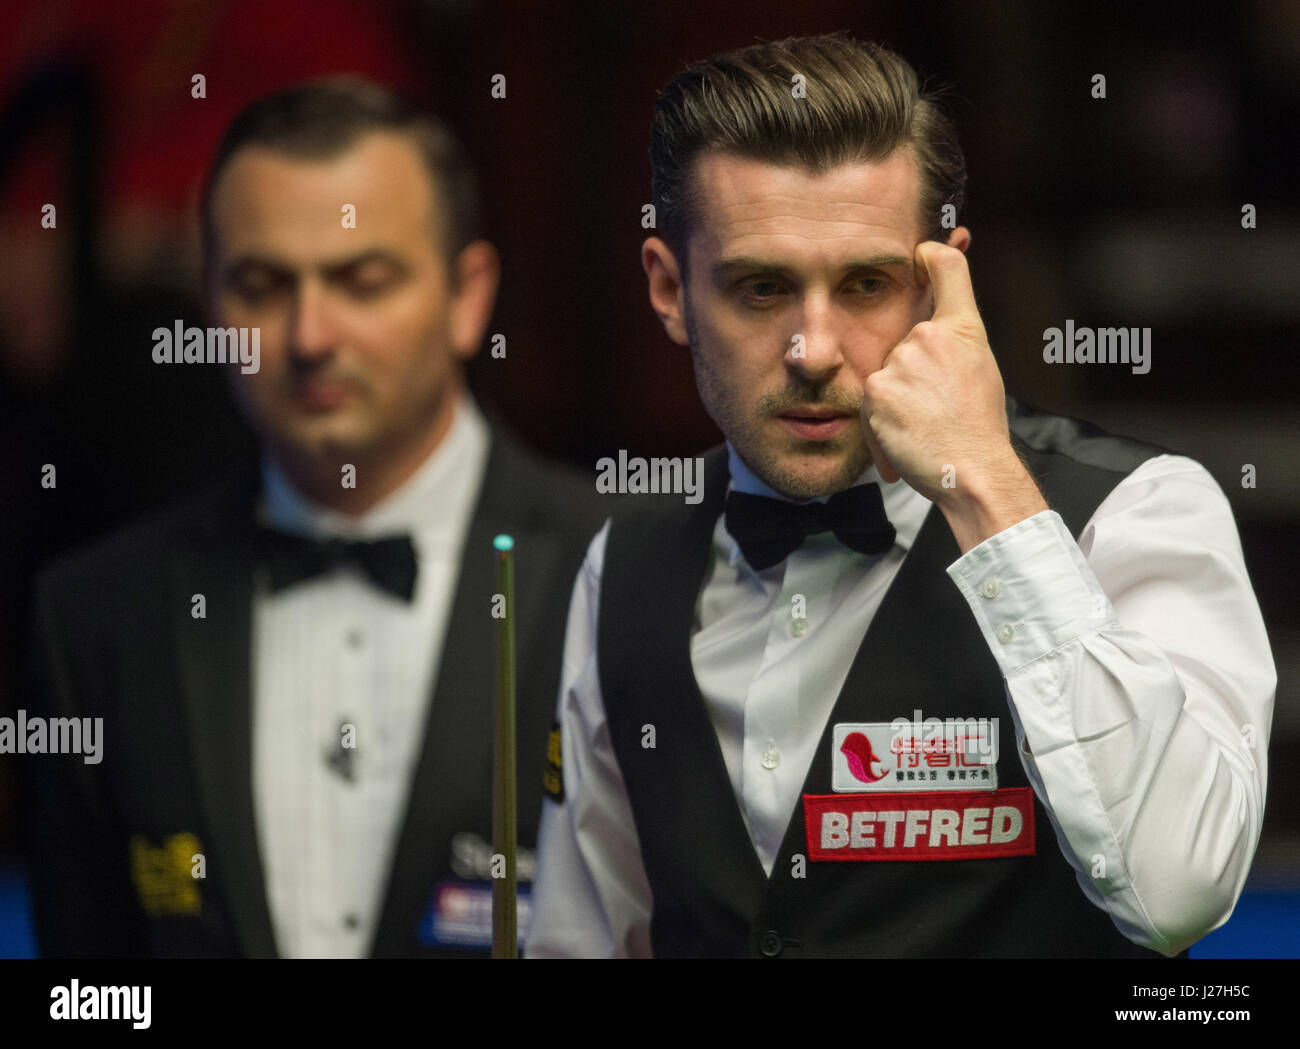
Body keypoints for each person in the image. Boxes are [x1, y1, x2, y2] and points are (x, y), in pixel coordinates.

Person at [525, 34, 1275, 958]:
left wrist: (988, 491)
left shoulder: (1139, 511)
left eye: (866, 284)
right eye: (761, 288)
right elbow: (580, 941)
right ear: (671, 289)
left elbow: (1180, 889)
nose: (814, 349)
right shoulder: (626, 561)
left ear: (941, 285)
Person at [27, 77, 607, 958]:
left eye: (362, 281)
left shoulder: (622, 571)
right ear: (209, 300)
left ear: (467, 297)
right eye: (261, 285)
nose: (308, 334)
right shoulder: (96, 616)